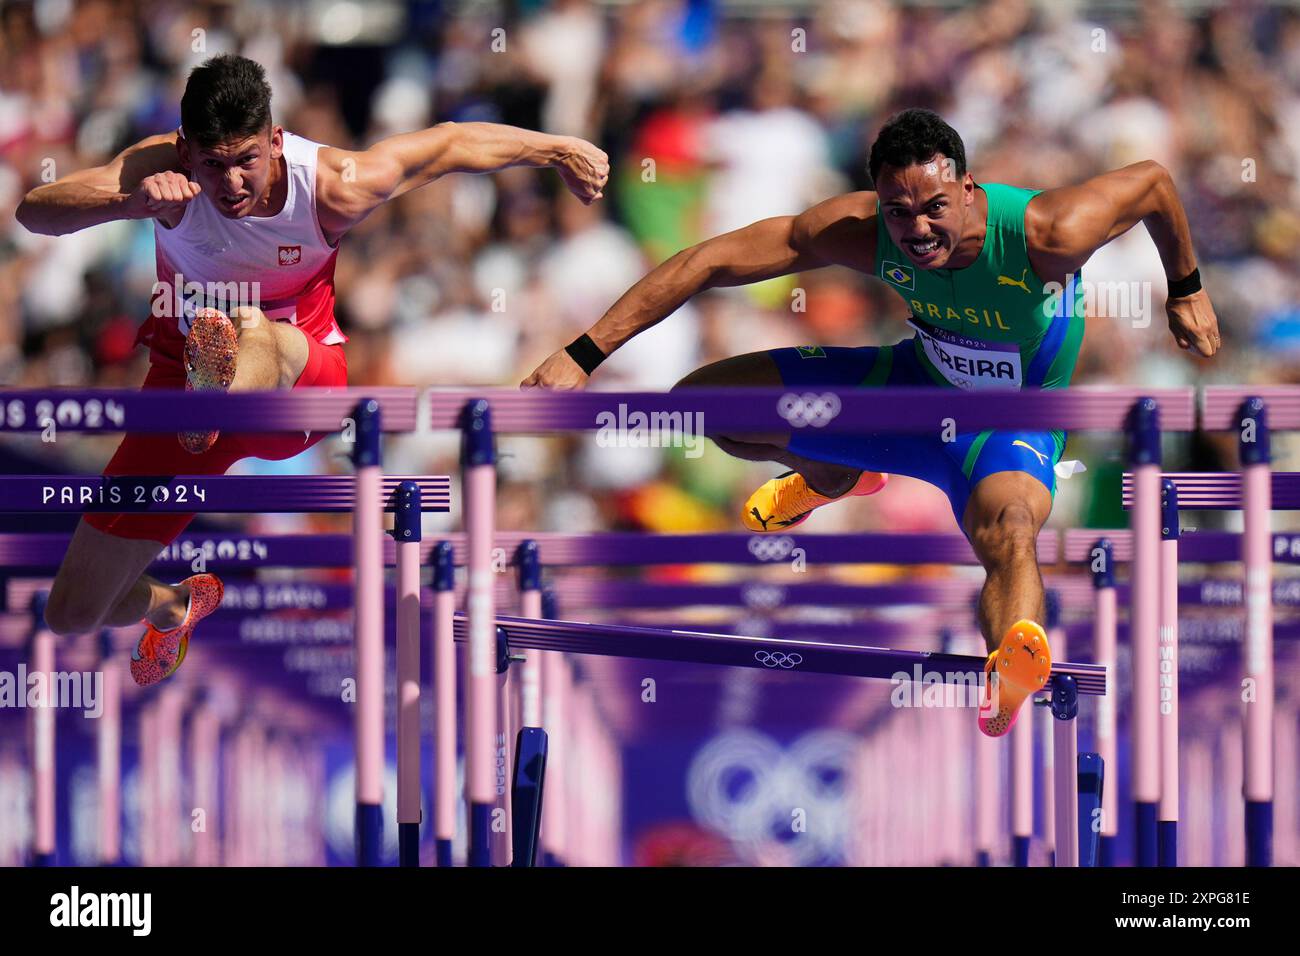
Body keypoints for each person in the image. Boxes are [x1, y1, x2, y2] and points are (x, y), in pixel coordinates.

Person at [522, 107, 1219, 736]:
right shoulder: (858, 230)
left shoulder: (1048, 231)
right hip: (908, 391)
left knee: (1009, 531)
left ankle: (1007, 676)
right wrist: (584, 353)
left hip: (1006, 426)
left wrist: (1185, 287)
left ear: (969, 188)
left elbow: (1154, 181)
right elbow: (708, 260)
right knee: (704, 401)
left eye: (934, 208)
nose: (917, 230)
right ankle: (835, 473)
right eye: (898, 211)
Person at [16, 54, 609, 687]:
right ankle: (176, 603)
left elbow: (452, 144)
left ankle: (215, 398)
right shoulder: (157, 170)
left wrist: (558, 148)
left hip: (300, 383)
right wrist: (126, 202)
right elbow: (35, 211)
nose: (232, 183)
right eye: (213, 165)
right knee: (73, 612)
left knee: (249, 330)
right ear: (185, 151)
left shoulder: (332, 183)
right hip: (179, 387)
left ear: (274, 141)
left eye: (247, 159)